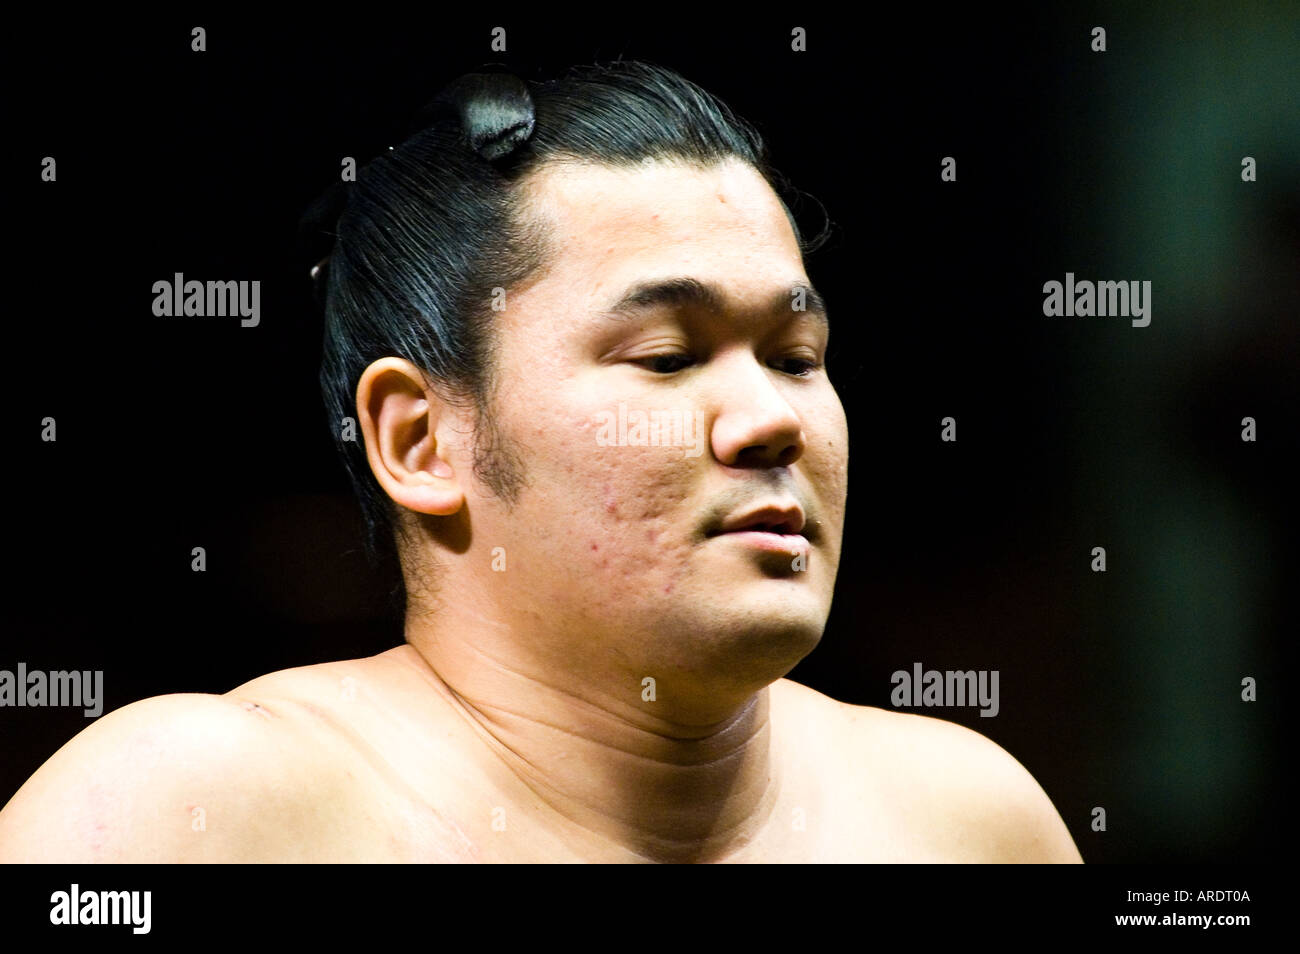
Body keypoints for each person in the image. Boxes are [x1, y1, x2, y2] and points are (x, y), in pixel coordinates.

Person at [0, 61, 1081, 863]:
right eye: (667, 357)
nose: (770, 422)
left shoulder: (967, 824)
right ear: (421, 440)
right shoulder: (183, 816)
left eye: (796, 358)